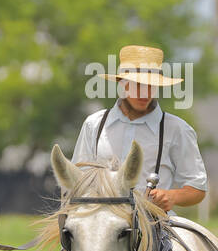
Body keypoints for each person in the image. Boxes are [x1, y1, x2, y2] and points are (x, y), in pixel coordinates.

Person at [71, 45, 206, 212]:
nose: (145, 93)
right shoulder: (94, 124)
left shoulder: (177, 129)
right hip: (102, 222)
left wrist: (172, 196)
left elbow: (197, 189)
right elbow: (77, 180)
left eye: (151, 85)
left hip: (157, 225)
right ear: (122, 83)